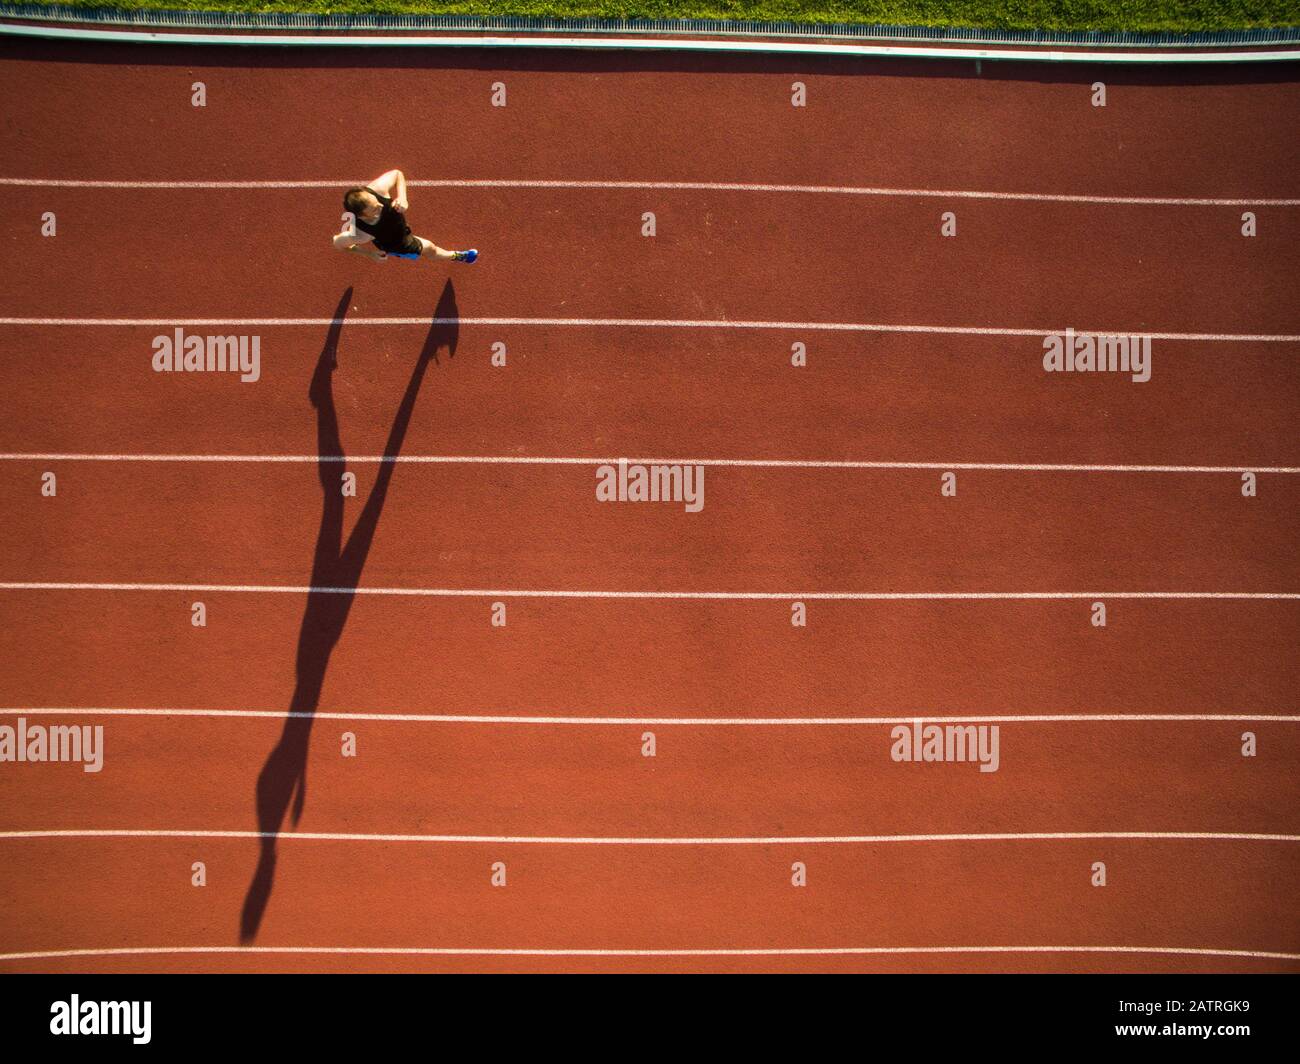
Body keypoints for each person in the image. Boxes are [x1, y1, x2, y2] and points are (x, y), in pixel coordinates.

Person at [333, 169, 477, 264]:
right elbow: (337, 243)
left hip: (400, 227)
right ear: (363, 216)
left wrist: (402, 197)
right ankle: (456, 256)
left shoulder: (377, 189)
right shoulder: (361, 234)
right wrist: (369, 254)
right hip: (398, 243)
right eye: (374, 209)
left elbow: (397, 173)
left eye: (376, 202)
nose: (381, 206)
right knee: (431, 250)